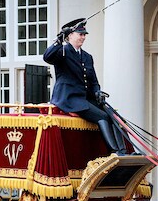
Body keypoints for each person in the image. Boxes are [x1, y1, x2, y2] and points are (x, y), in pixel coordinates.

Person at [43, 18, 131, 156]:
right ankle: (114, 152)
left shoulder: (87, 56)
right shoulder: (63, 51)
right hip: (69, 98)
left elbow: (93, 81)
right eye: (80, 34)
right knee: (102, 116)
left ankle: (123, 151)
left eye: (84, 35)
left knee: (113, 115)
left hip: (85, 98)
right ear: (70, 35)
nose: (83, 37)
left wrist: (97, 92)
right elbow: (47, 57)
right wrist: (59, 39)